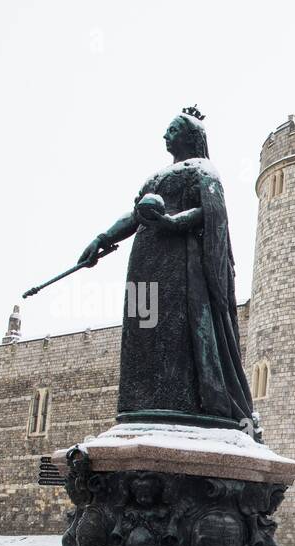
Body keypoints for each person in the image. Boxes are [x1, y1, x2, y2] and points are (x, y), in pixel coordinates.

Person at [78, 108, 255, 433]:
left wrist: (172, 222)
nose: (165, 136)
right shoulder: (154, 178)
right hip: (145, 263)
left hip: (180, 264)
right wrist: (101, 240)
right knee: (141, 329)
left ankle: (181, 401)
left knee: (176, 329)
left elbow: (211, 212)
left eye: (172, 129)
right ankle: (142, 401)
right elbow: (134, 217)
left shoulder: (203, 170)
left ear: (190, 135)